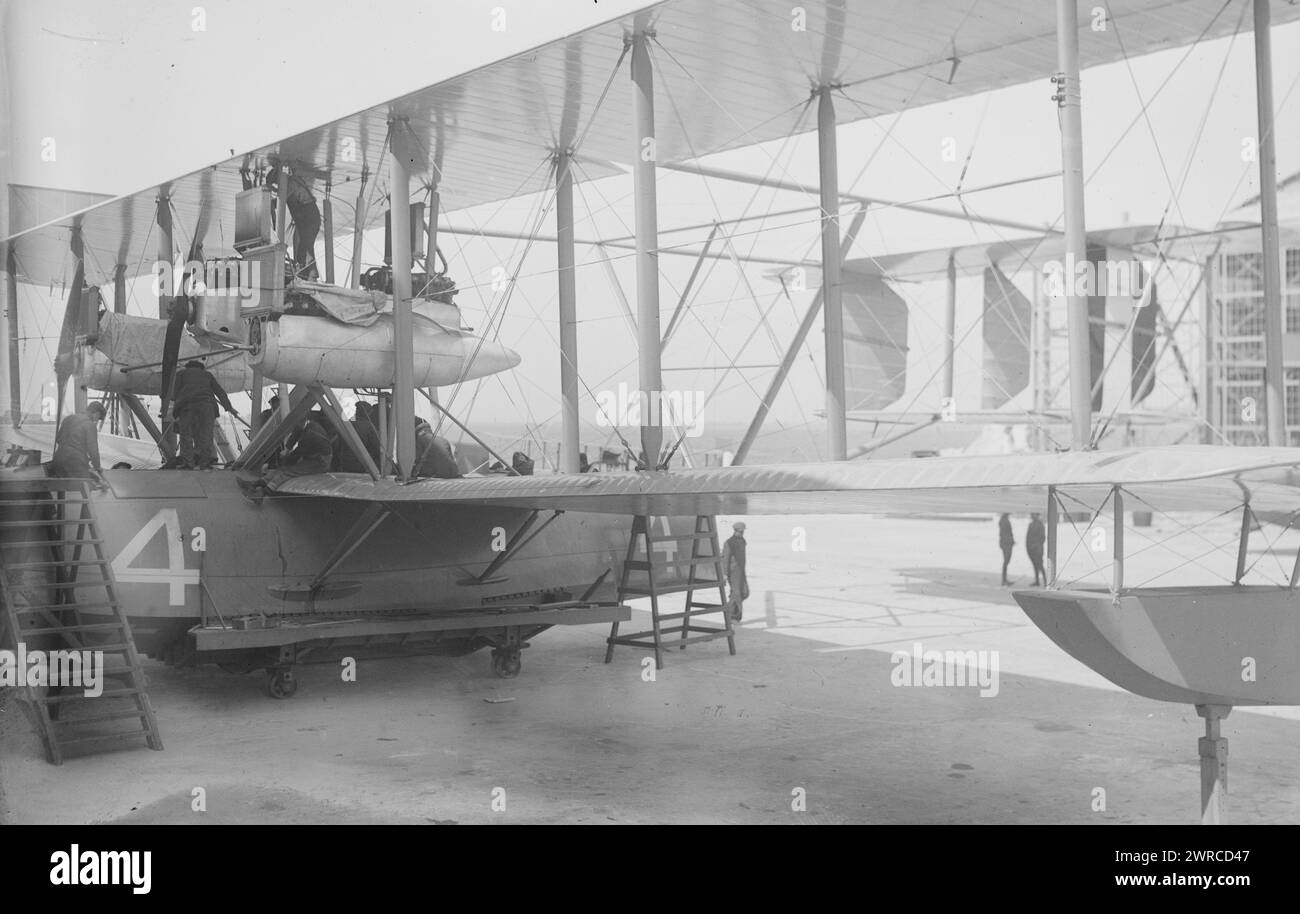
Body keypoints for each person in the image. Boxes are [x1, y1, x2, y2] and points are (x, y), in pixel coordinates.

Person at [244, 411, 334, 503]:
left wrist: (283, 463)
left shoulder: (311, 434)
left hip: (320, 462)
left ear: (301, 422)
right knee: (283, 468)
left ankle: (262, 494)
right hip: (312, 457)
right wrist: (287, 449)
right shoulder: (304, 425)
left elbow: (297, 454)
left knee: (289, 471)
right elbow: (295, 435)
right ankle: (257, 483)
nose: (292, 428)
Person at [172, 360, 237, 469]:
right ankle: (205, 463)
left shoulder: (181, 374)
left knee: (186, 435)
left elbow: (175, 393)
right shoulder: (207, 375)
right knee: (206, 436)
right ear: (201, 368)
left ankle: (188, 463)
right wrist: (229, 408)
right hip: (207, 407)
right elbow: (219, 391)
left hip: (187, 406)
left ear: (188, 367)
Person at [267, 163, 320, 280]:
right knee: (305, 247)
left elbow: (280, 200)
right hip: (306, 219)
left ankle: (309, 275)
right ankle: (307, 274)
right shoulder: (291, 183)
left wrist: (268, 199)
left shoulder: (290, 184)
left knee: (305, 248)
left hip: (309, 218)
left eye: (275, 183)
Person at [50, 402, 107, 487]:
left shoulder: (68, 419)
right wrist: (98, 468)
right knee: (88, 488)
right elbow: (93, 451)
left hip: (58, 459)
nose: (96, 421)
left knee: (64, 490)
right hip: (74, 462)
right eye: (98, 418)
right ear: (97, 413)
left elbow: (58, 439)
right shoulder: (90, 425)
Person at [336, 401, 382, 473]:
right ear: (367, 413)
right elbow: (377, 447)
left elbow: (338, 443)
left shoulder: (347, 423)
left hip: (344, 461)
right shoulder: (369, 426)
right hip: (362, 463)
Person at [722, 521, 749, 623]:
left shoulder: (742, 541)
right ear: (736, 530)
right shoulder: (729, 542)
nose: (742, 533)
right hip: (733, 572)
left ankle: (732, 612)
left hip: (741, 571)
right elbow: (725, 558)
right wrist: (725, 573)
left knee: (744, 593)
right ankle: (733, 617)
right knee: (737, 594)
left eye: (743, 531)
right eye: (740, 531)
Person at [1026, 513, 1047, 586]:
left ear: (1037, 515)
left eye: (1033, 514)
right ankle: (1037, 581)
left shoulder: (1041, 524)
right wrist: (1028, 548)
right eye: (1032, 514)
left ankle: (1046, 582)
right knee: (1035, 565)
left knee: (1040, 565)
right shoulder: (1030, 524)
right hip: (1031, 549)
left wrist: (1035, 545)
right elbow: (1027, 538)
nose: (1032, 516)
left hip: (1038, 549)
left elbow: (1043, 538)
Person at [998, 513, 1015, 586]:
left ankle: (1004, 580)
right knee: (1006, 561)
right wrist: (1010, 541)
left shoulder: (1003, 521)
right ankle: (1004, 580)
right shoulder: (1004, 521)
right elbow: (1007, 533)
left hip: (1006, 543)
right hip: (1007, 544)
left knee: (1006, 561)